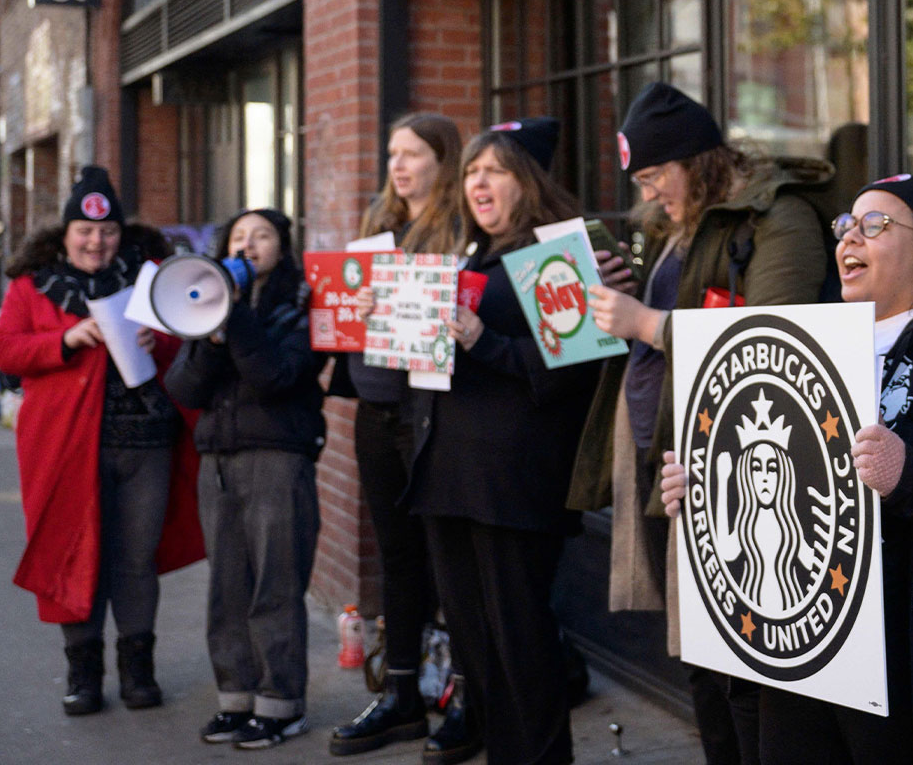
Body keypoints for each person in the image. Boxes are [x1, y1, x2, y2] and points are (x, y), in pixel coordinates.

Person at [661, 174, 913, 764]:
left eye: (875, 225)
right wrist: (708, 489)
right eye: (845, 225)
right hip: (806, 649)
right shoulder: (807, 344)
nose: (850, 238)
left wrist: (911, 475)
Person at [575, 82, 831, 765]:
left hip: (743, 469)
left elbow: (778, 343)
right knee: (699, 657)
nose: (649, 193)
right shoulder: (674, 226)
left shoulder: (777, 218)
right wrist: (625, 296)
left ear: (698, 161)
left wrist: (646, 323)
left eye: (656, 175)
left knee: (740, 668)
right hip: (669, 459)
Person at [403, 119, 599, 765]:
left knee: (522, 644)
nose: (477, 183)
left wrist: (482, 342)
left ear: (529, 182)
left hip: (514, 483)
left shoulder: (556, 253)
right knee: (475, 647)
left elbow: (571, 370)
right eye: (471, 172)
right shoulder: (471, 254)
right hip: (450, 475)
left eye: (496, 171)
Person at [0, 165, 204, 716]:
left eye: (108, 231)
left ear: (121, 232)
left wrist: (159, 341)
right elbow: (8, 352)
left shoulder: (153, 278)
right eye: (85, 231)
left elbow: (192, 341)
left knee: (136, 558)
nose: (97, 242)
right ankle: (83, 673)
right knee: (72, 555)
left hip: (148, 445)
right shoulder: (31, 286)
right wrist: (65, 339)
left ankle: (138, 670)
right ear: (64, 235)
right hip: (65, 449)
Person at [330, 114, 468, 760]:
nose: (398, 165)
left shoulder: (460, 228)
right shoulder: (376, 226)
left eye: (412, 153)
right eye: (393, 153)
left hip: (433, 412)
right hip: (378, 407)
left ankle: (465, 692)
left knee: (448, 557)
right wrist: (353, 308)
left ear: (444, 160)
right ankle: (402, 692)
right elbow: (345, 320)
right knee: (397, 557)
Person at [167, 207, 327, 750]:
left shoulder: (302, 305)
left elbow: (275, 376)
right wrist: (210, 338)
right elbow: (184, 389)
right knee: (227, 587)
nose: (248, 244)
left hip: (277, 457)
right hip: (218, 460)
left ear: (282, 247)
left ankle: (282, 705)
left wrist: (234, 320)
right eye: (238, 235)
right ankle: (236, 698)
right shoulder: (205, 305)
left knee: (275, 585)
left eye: (262, 235)